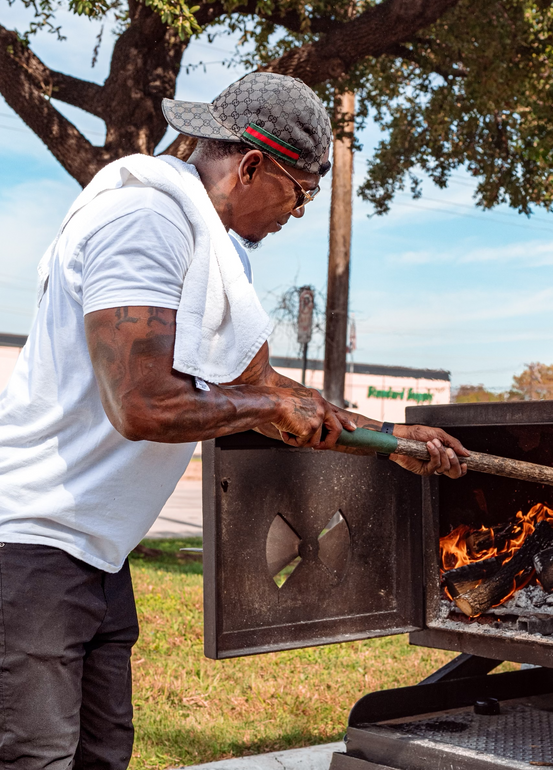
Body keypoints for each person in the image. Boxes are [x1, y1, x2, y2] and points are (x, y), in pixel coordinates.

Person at [0, 72, 468, 768]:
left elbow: (265, 391)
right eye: (300, 194)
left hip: (98, 554)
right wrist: (272, 406)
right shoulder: (146, 220)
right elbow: (143, 404)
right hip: (32, 548)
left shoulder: (211, 249)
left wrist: (390, 439)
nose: (296, 215)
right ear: (251, 166)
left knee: (103, 755)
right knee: (34, 759)